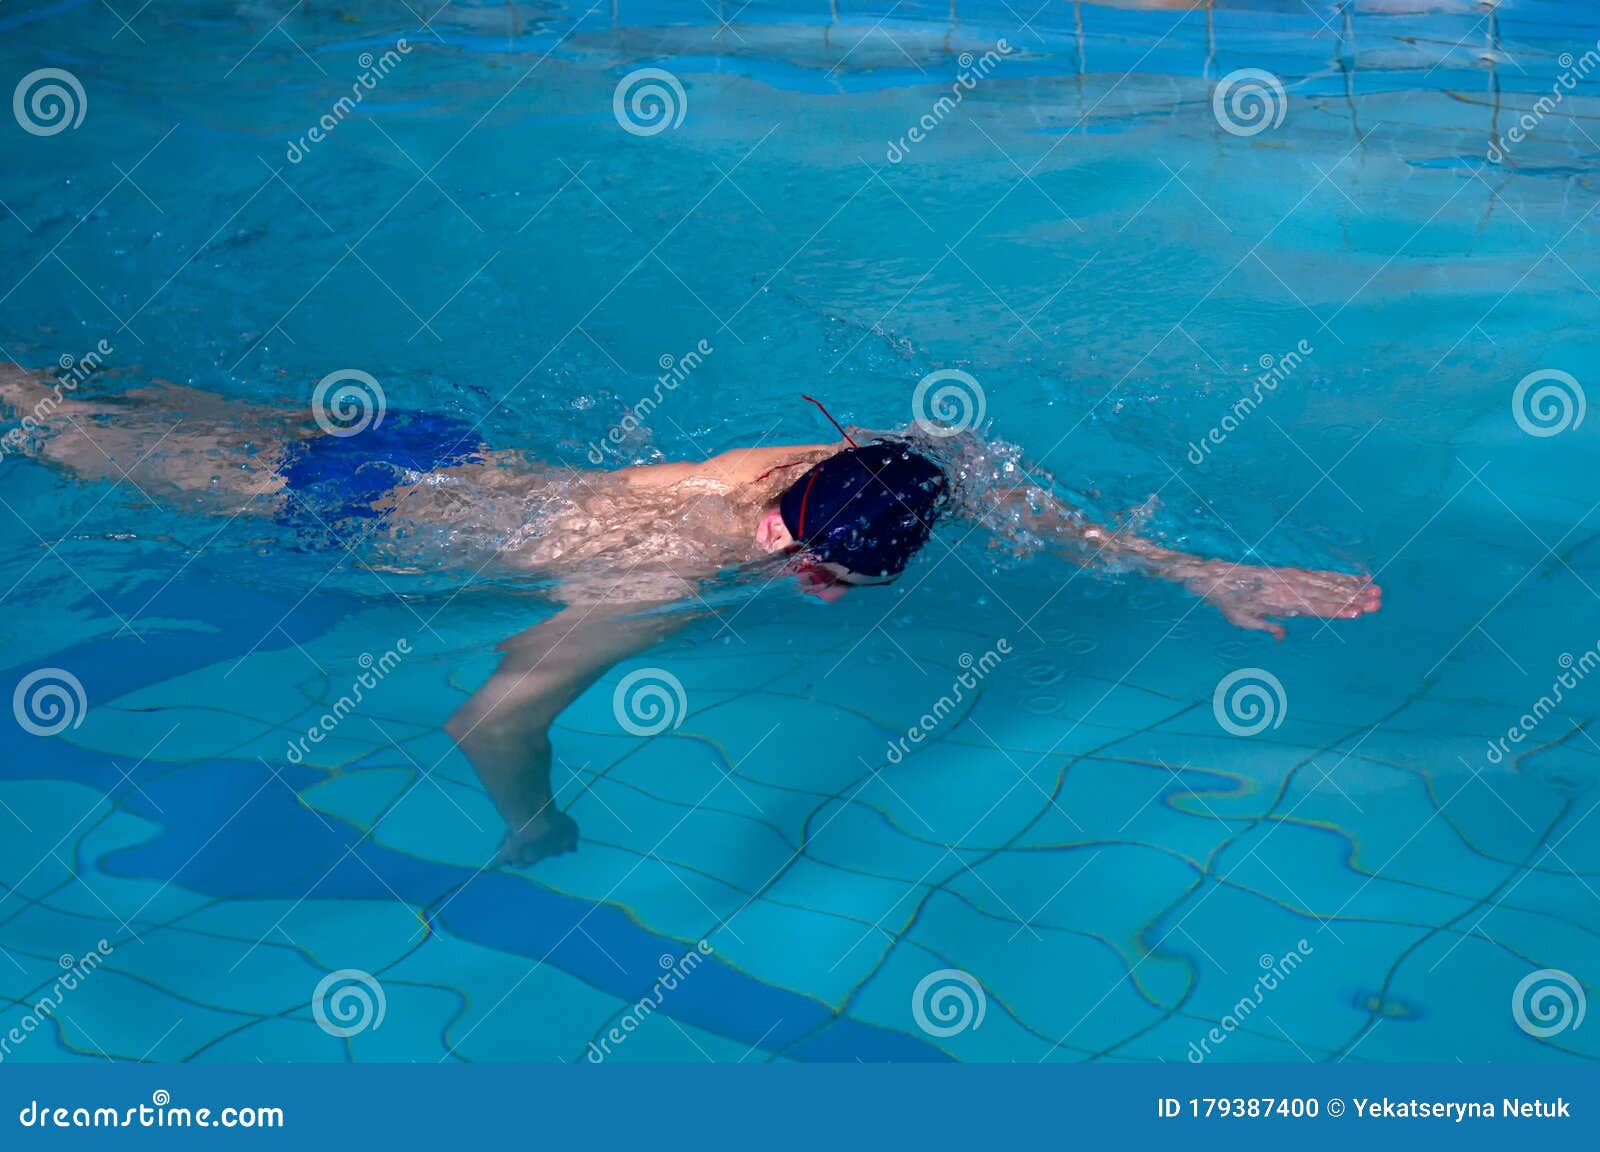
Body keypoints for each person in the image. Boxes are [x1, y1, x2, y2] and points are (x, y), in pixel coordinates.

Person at [0, 365, 1381, 864]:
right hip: (337, 513)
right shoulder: (650, 583)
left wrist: (1197, 567)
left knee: (84, 393)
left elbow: (979, 488)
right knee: (53, 434)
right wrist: (534, 819)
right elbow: (486, 714)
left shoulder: (812, 466)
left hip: (432, 451)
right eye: (836, 584)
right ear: (812, 565)